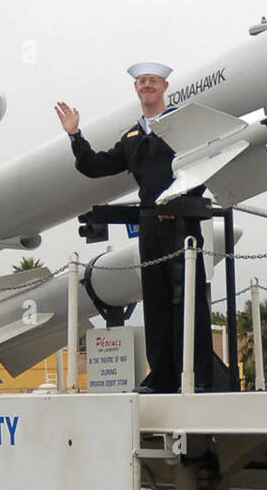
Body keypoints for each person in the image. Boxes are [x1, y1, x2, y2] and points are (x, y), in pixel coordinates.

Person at [56, 62, 214, 393]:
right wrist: (75, 136)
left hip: (181, 220)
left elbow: (202, 163)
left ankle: (197, 376)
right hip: (150, 224)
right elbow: (95, 166)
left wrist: (180, 200)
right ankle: (163, 378)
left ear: (165, 86)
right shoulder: (132, 136)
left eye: (153, 81)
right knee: (155, 301)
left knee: (187, 297)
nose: (147, 86)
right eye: (142, 82)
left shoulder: (181, 124)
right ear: (136, 89)